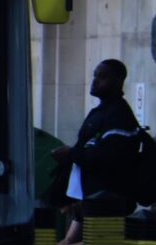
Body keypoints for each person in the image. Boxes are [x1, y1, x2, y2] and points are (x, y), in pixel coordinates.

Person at [52, 59, 142, 214]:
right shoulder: (101, 111)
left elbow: (108, 155)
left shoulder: (118, 115)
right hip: (88, 195)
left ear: (118, 81)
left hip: (105, 198)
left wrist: (71, 153)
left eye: (102, 77)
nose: (95, 82)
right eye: (95, 76)